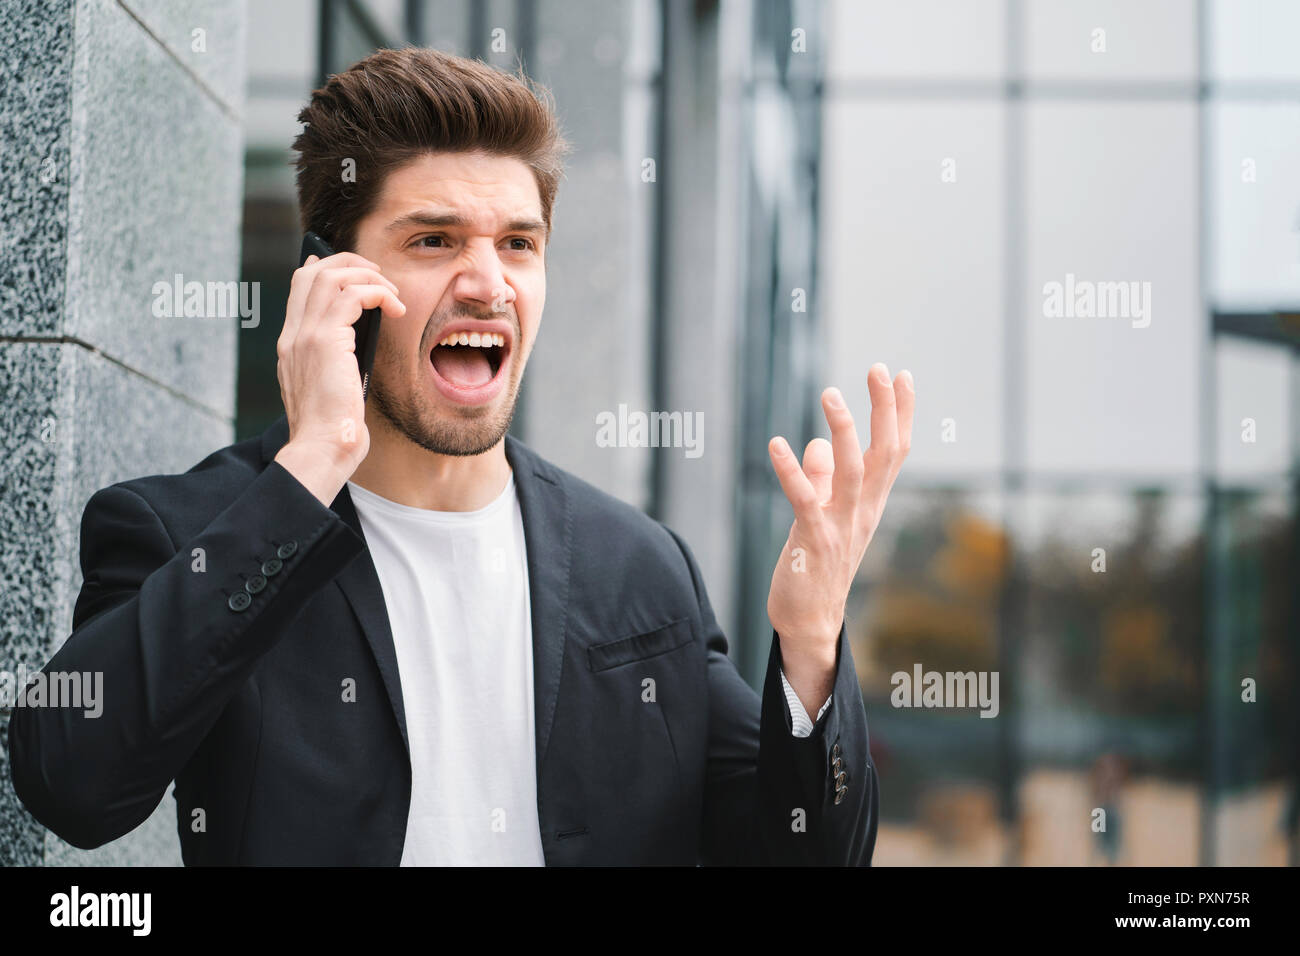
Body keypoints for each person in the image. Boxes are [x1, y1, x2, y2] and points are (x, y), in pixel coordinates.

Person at [8, 47, 914, 865]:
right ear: (331, 282)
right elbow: (72, 788)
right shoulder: (193, 533)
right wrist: (312, 464)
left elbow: (802, 855)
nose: (488, 284)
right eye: (433, 240)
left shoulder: (638, 566)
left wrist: (809, 648)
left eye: (518, 244)